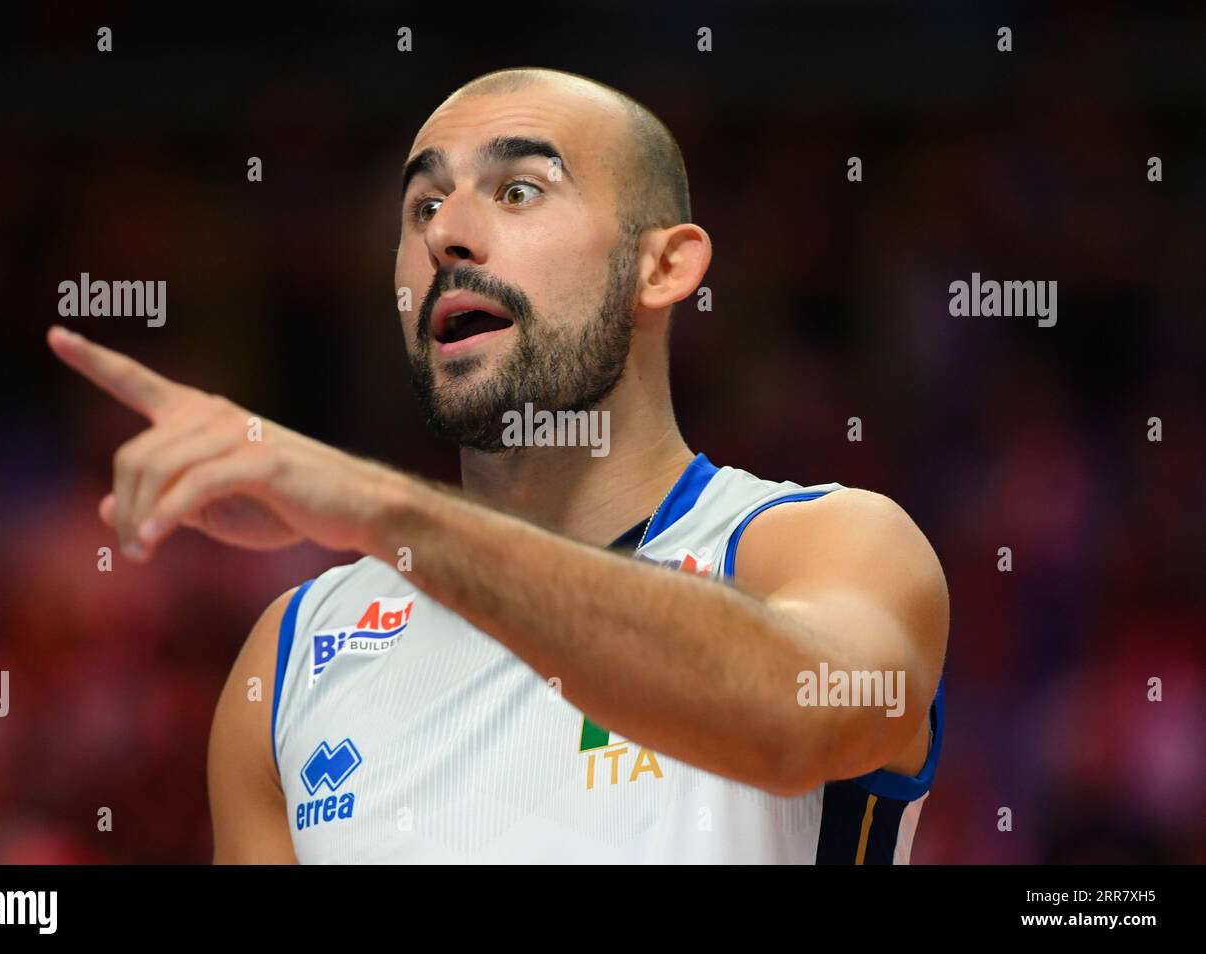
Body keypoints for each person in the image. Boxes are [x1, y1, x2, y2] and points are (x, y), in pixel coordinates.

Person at [47, 67, 949, 863]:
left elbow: (798, 722)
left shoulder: (821, 543)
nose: (450, 236)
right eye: (422, 207)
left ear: (665, 266)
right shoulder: (291, 660)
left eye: (518, 191)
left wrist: (384, 510)